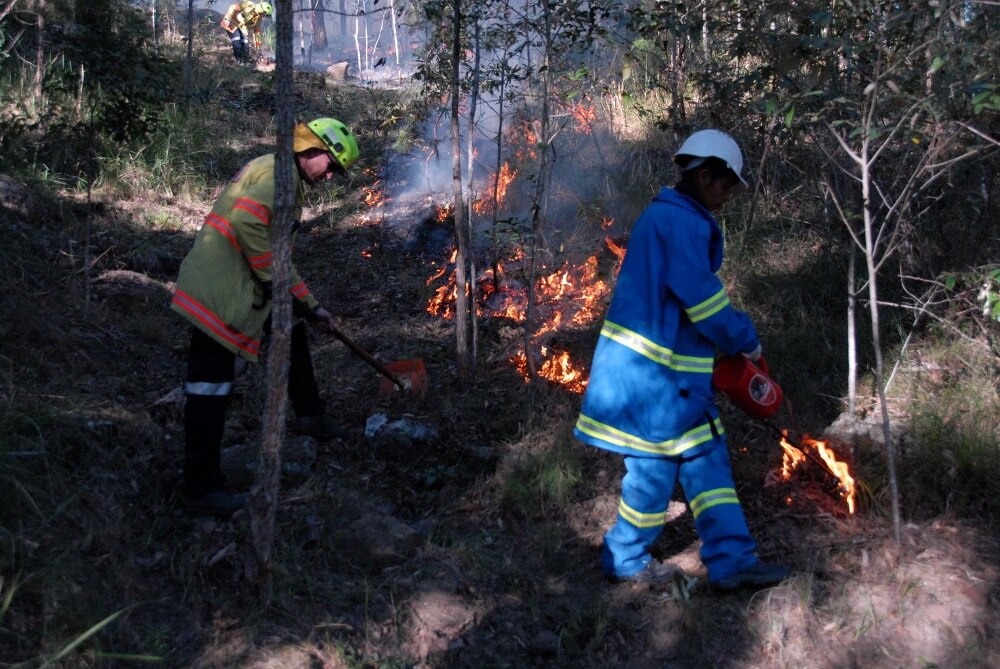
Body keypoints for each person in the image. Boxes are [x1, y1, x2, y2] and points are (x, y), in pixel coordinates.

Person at [574, 129, 791, 589]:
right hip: (651, 383)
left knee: (707, 459)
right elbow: (704, 302)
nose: (728, 196)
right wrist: (745, 341)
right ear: (705, 175)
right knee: (652, 475)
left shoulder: (670, 216)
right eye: (726, 184)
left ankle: (732, 561)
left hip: (670, 383)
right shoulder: (679, 222)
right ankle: (625, 557)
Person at [171, 118, 360, 517]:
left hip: (232, 286)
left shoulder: (280, 172)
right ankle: (200, 488)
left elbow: (279, 259)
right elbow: (246, 223)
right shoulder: (280, 178)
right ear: (313, 150)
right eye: (331, 166)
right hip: (219, 294)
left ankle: (310, 416)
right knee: (209, 389)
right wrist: (275, 281)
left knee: (292, 332)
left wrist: (310, 305)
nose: (330, 176)